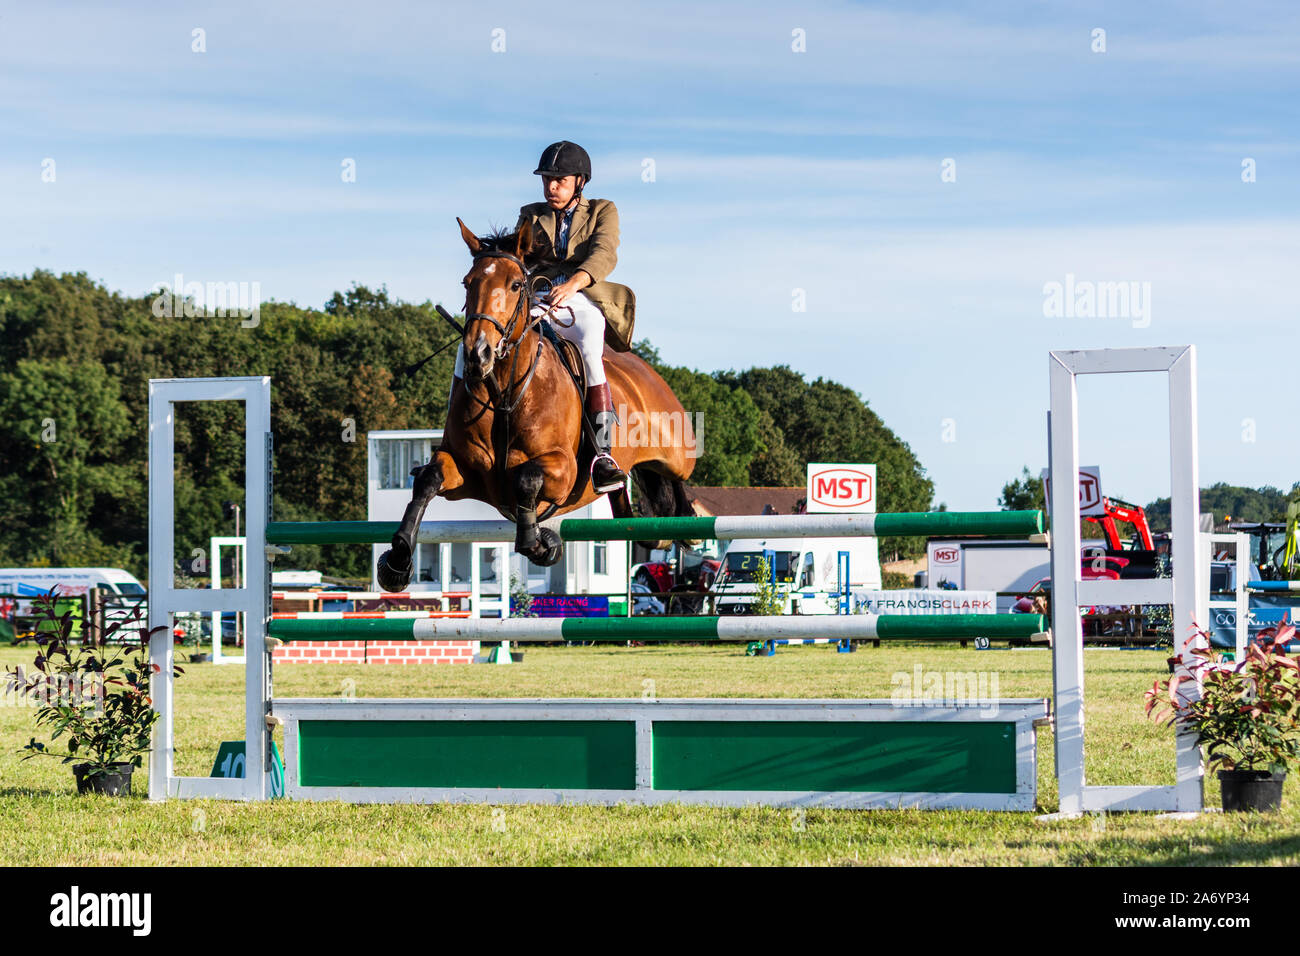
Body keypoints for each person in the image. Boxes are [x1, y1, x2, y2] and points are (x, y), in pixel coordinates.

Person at [451, 140, 632, 494]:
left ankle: (602, 454)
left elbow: (603, 254)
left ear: (580, 181)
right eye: (547, 179)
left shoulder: (603, 210)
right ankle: (453, 437)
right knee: (473, 344)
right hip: (536, 296)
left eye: (559, 180)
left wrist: (574, 284)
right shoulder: (531, 214)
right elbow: (518, 258)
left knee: (590, 340)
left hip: (581, 295)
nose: (551, 187)